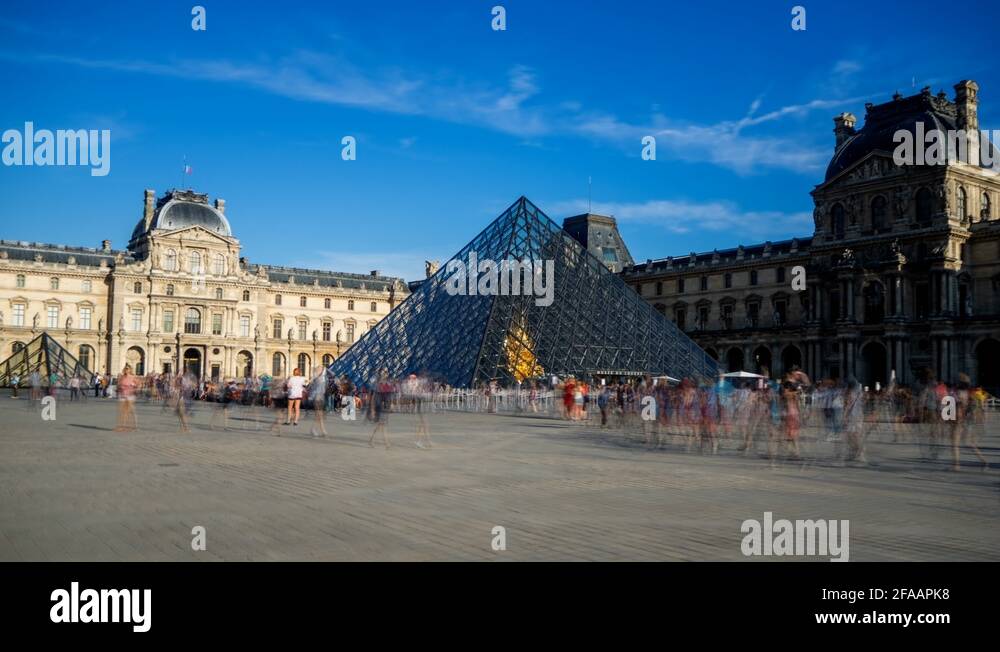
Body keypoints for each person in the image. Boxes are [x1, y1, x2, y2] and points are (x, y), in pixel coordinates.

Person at [115, 365, 138, 432]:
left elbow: (138, 384)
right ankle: (122, 426)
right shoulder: (122, 377)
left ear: (130, 370)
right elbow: (119, 385)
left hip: (130, 395)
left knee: (131, 411)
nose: (126, 370)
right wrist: (119, 388)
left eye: (127, 369)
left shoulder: (132, 377)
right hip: (122, 395)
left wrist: (133, 388)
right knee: (122, 411)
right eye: (125, 369)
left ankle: (134, 425)